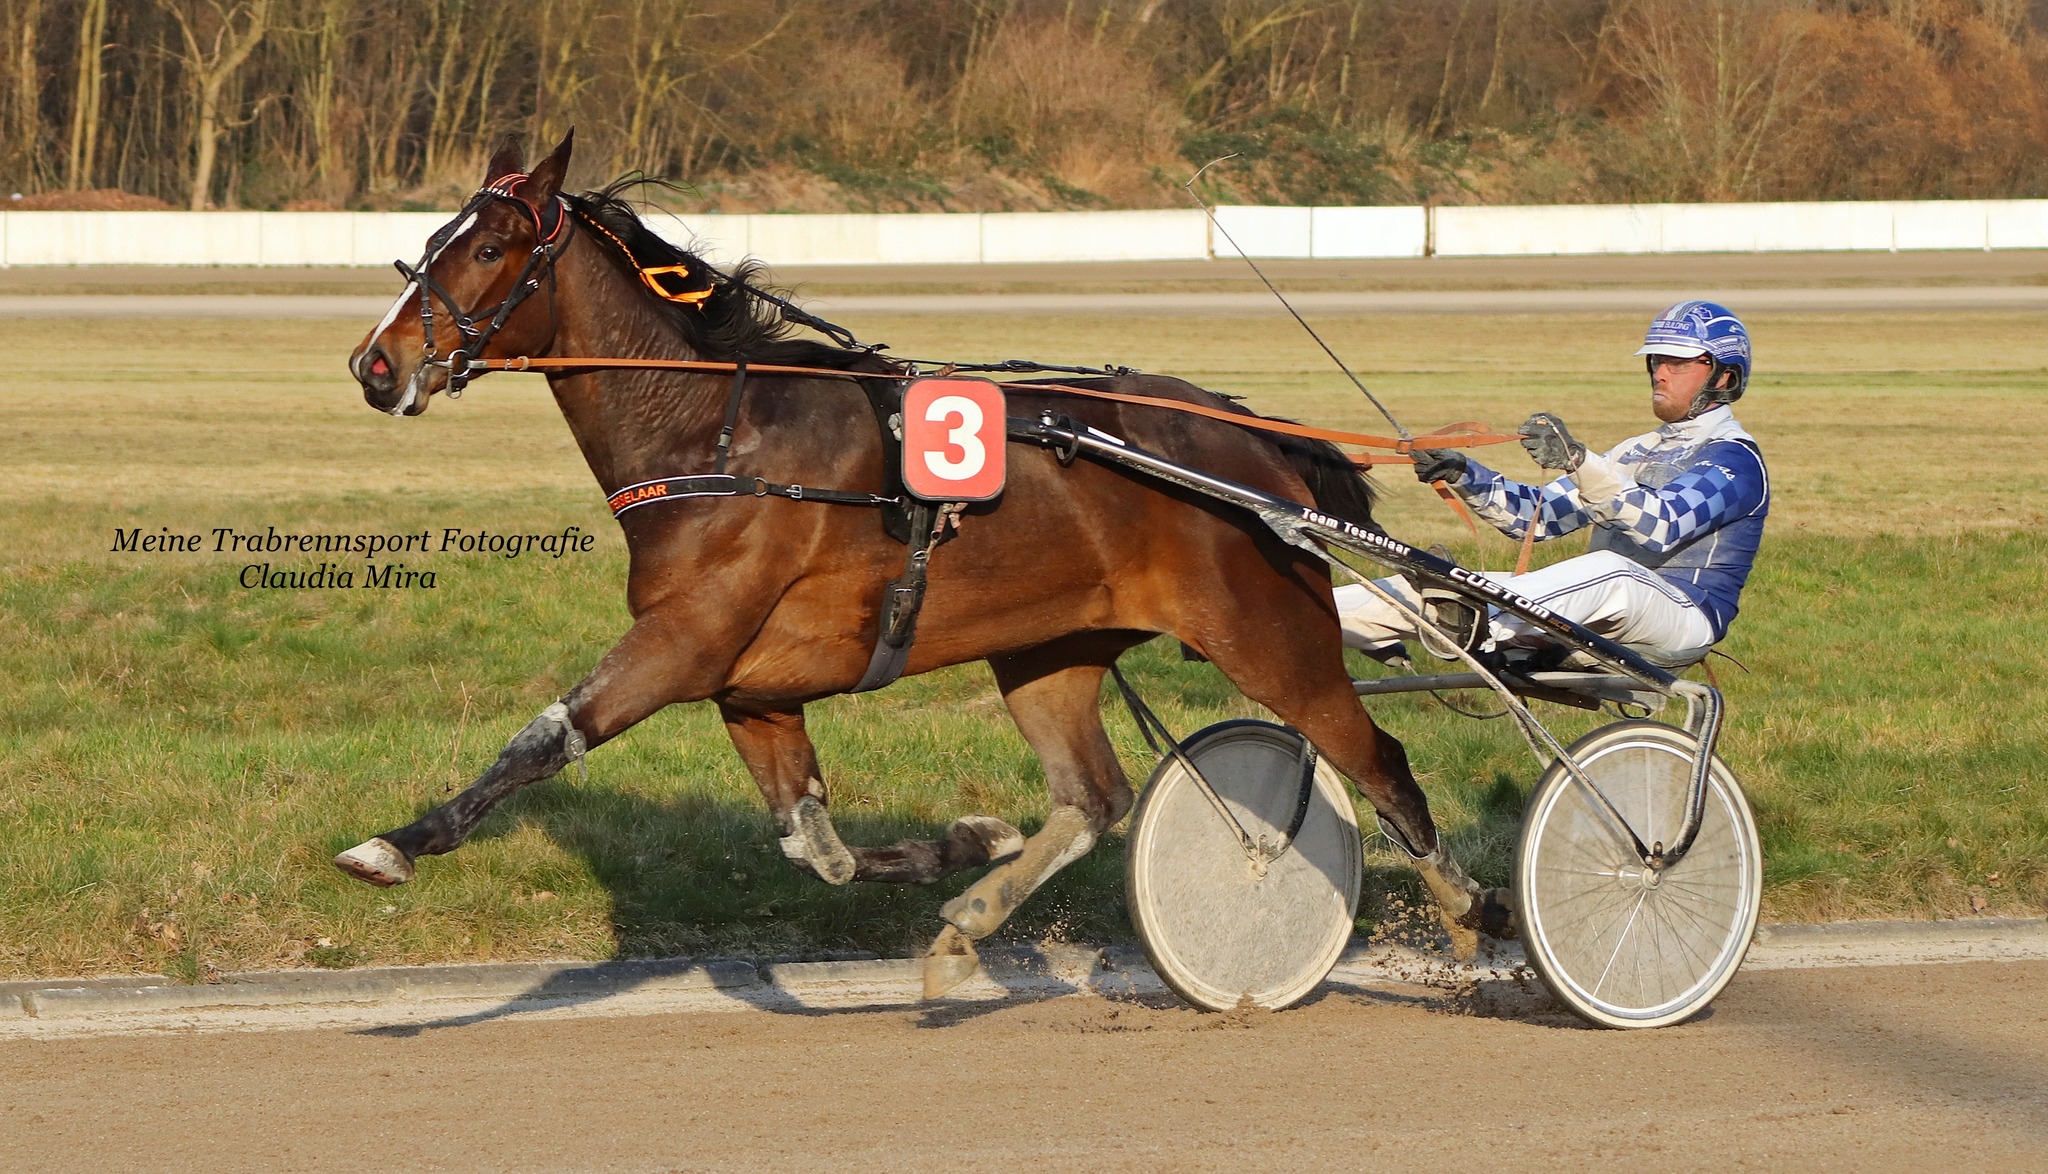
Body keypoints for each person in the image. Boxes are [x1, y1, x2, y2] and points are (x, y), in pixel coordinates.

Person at [1335, 300, 1769, 667]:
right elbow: (1535, 519)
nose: (1660, 373)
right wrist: (1464, 474)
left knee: (1610, 571)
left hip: (1684, 615)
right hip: (1608, 603)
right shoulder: (1637, 450)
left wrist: (1578, 461)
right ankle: (1303, 617)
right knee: (1408, 586)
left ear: (1724, 377)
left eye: (1677, 362)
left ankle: (1476, 616)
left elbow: (1661, 527)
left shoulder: (1735, 457)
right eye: (1657, 360)